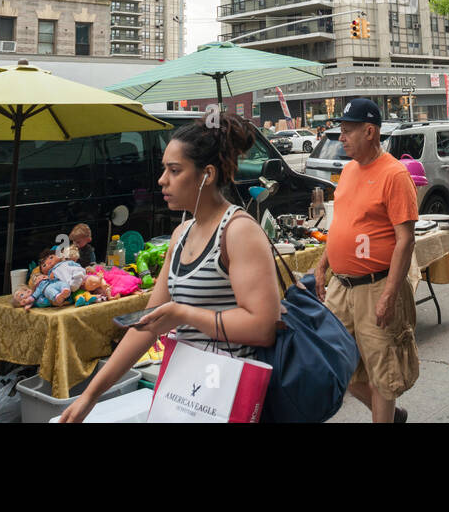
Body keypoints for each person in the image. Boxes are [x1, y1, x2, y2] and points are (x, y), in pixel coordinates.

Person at [60, 114, 280, 423]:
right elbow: (148, 324)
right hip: (188, 390)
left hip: (229, 395)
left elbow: (262, 327)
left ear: (207, 175)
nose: (162, 179)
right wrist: (90, 396)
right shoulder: (181, 233)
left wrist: (184, 314)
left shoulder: (239, 231)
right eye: (165, 169)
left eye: (174, 170)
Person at [313, 98, 419, 424]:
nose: (341, 138)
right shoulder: (347, 172)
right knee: (336, 362)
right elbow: (342, 226)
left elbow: (405, 240)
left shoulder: (394, 175)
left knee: (383, 371)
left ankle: (384, 414)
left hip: (376, 286)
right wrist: (321, 266)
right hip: (341, 287)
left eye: (347, 131)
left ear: (369, 131)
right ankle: (387, 415)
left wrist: (389, 294)